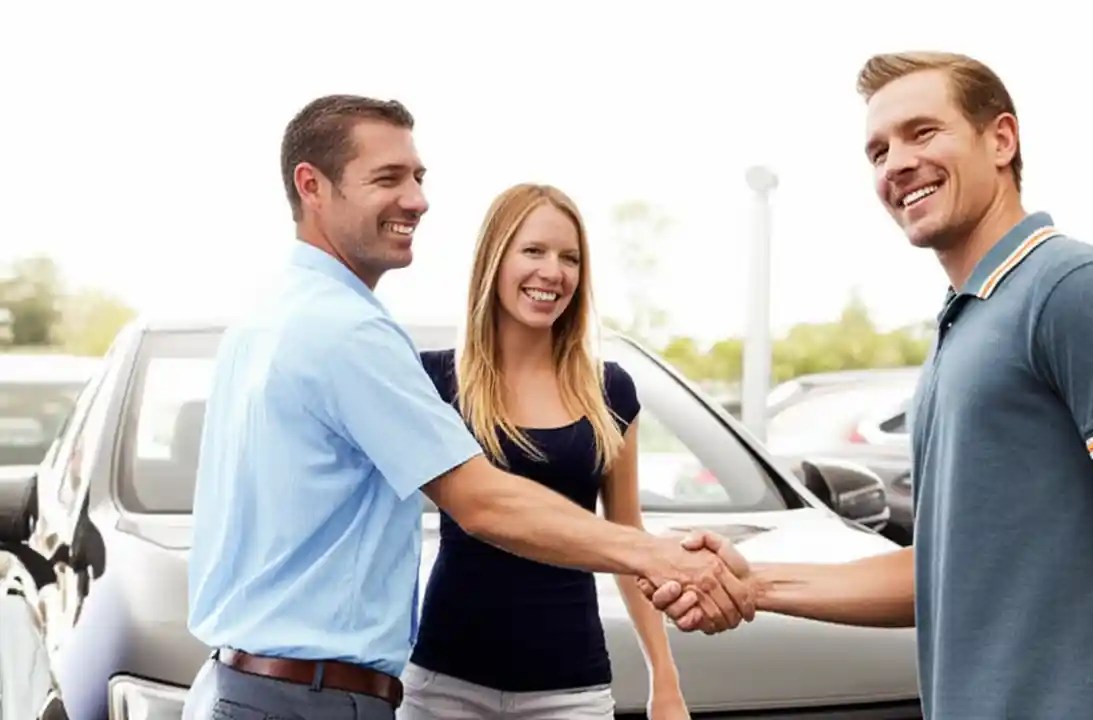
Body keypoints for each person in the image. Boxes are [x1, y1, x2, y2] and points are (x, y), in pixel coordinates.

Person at [643, 52, 1093, 719]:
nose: (895, 164)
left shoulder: (1074, 290)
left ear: (1001, 140)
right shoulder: (969, 322)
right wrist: (753, 584)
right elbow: (943, 572)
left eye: (922, 132)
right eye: (878, 151)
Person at [182, 95, 752, 720]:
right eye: (388, 178)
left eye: (418, 177)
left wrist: (664, 670)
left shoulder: (269, 316)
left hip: (260, 684)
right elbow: (482, 501)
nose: (417, 200)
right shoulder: (358, 337)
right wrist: (660, 556)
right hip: (337, 692)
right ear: (312, 186)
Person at [395, 183, 689, 719]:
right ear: (494, 259)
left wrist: (665, 681)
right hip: (443, 684)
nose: (553, 272)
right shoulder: (432, 381)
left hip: (570, 691)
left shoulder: (610, 390)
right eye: (533, 251)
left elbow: (627, 538)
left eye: (569, 258)